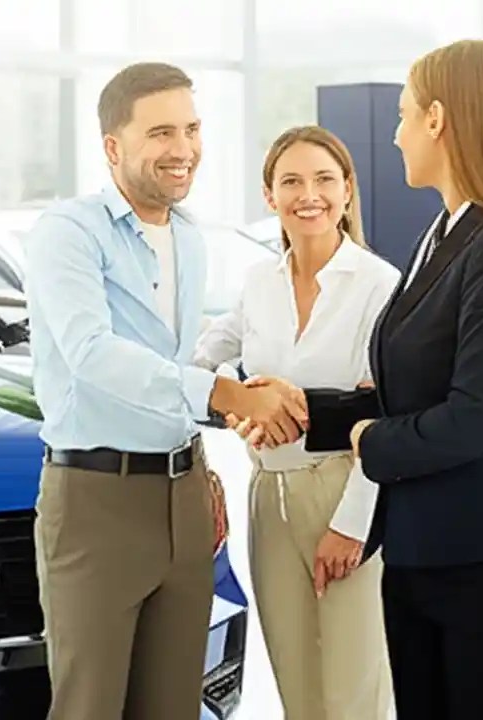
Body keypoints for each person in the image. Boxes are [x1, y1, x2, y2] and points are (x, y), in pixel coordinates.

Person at [260, 40, 483, 720]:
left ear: (438, 119)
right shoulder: (444, 232)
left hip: (482, 558)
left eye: (405, 115)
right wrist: (290, 411)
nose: (397, 134)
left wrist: (367, 441)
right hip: (420, 552)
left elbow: (473, 420)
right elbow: (407, 389)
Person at [23, 61, 309, 720]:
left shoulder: (187, 235)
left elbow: (171, 363)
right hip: (97, 499)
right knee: (90, 706)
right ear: (113, 147)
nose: (183, 149)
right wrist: (227, 397)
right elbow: (93, 354)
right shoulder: (69, 232)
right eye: (161, 133)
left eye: (192, 128)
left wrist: (219, 418)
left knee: (176, 706)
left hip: (183, 496)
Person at [196, 125, 396, 719]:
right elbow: (197, 367)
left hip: (344, 492)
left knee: (353, 687)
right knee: (296, 684)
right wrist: (238, 405)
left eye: (324, 180)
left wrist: (354, 525)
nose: (309, 194)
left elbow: (386, 411)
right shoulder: (259, 283)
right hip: (267, 497)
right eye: (291, 182)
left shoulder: (379, 285)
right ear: (269, 196)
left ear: (347, 191)